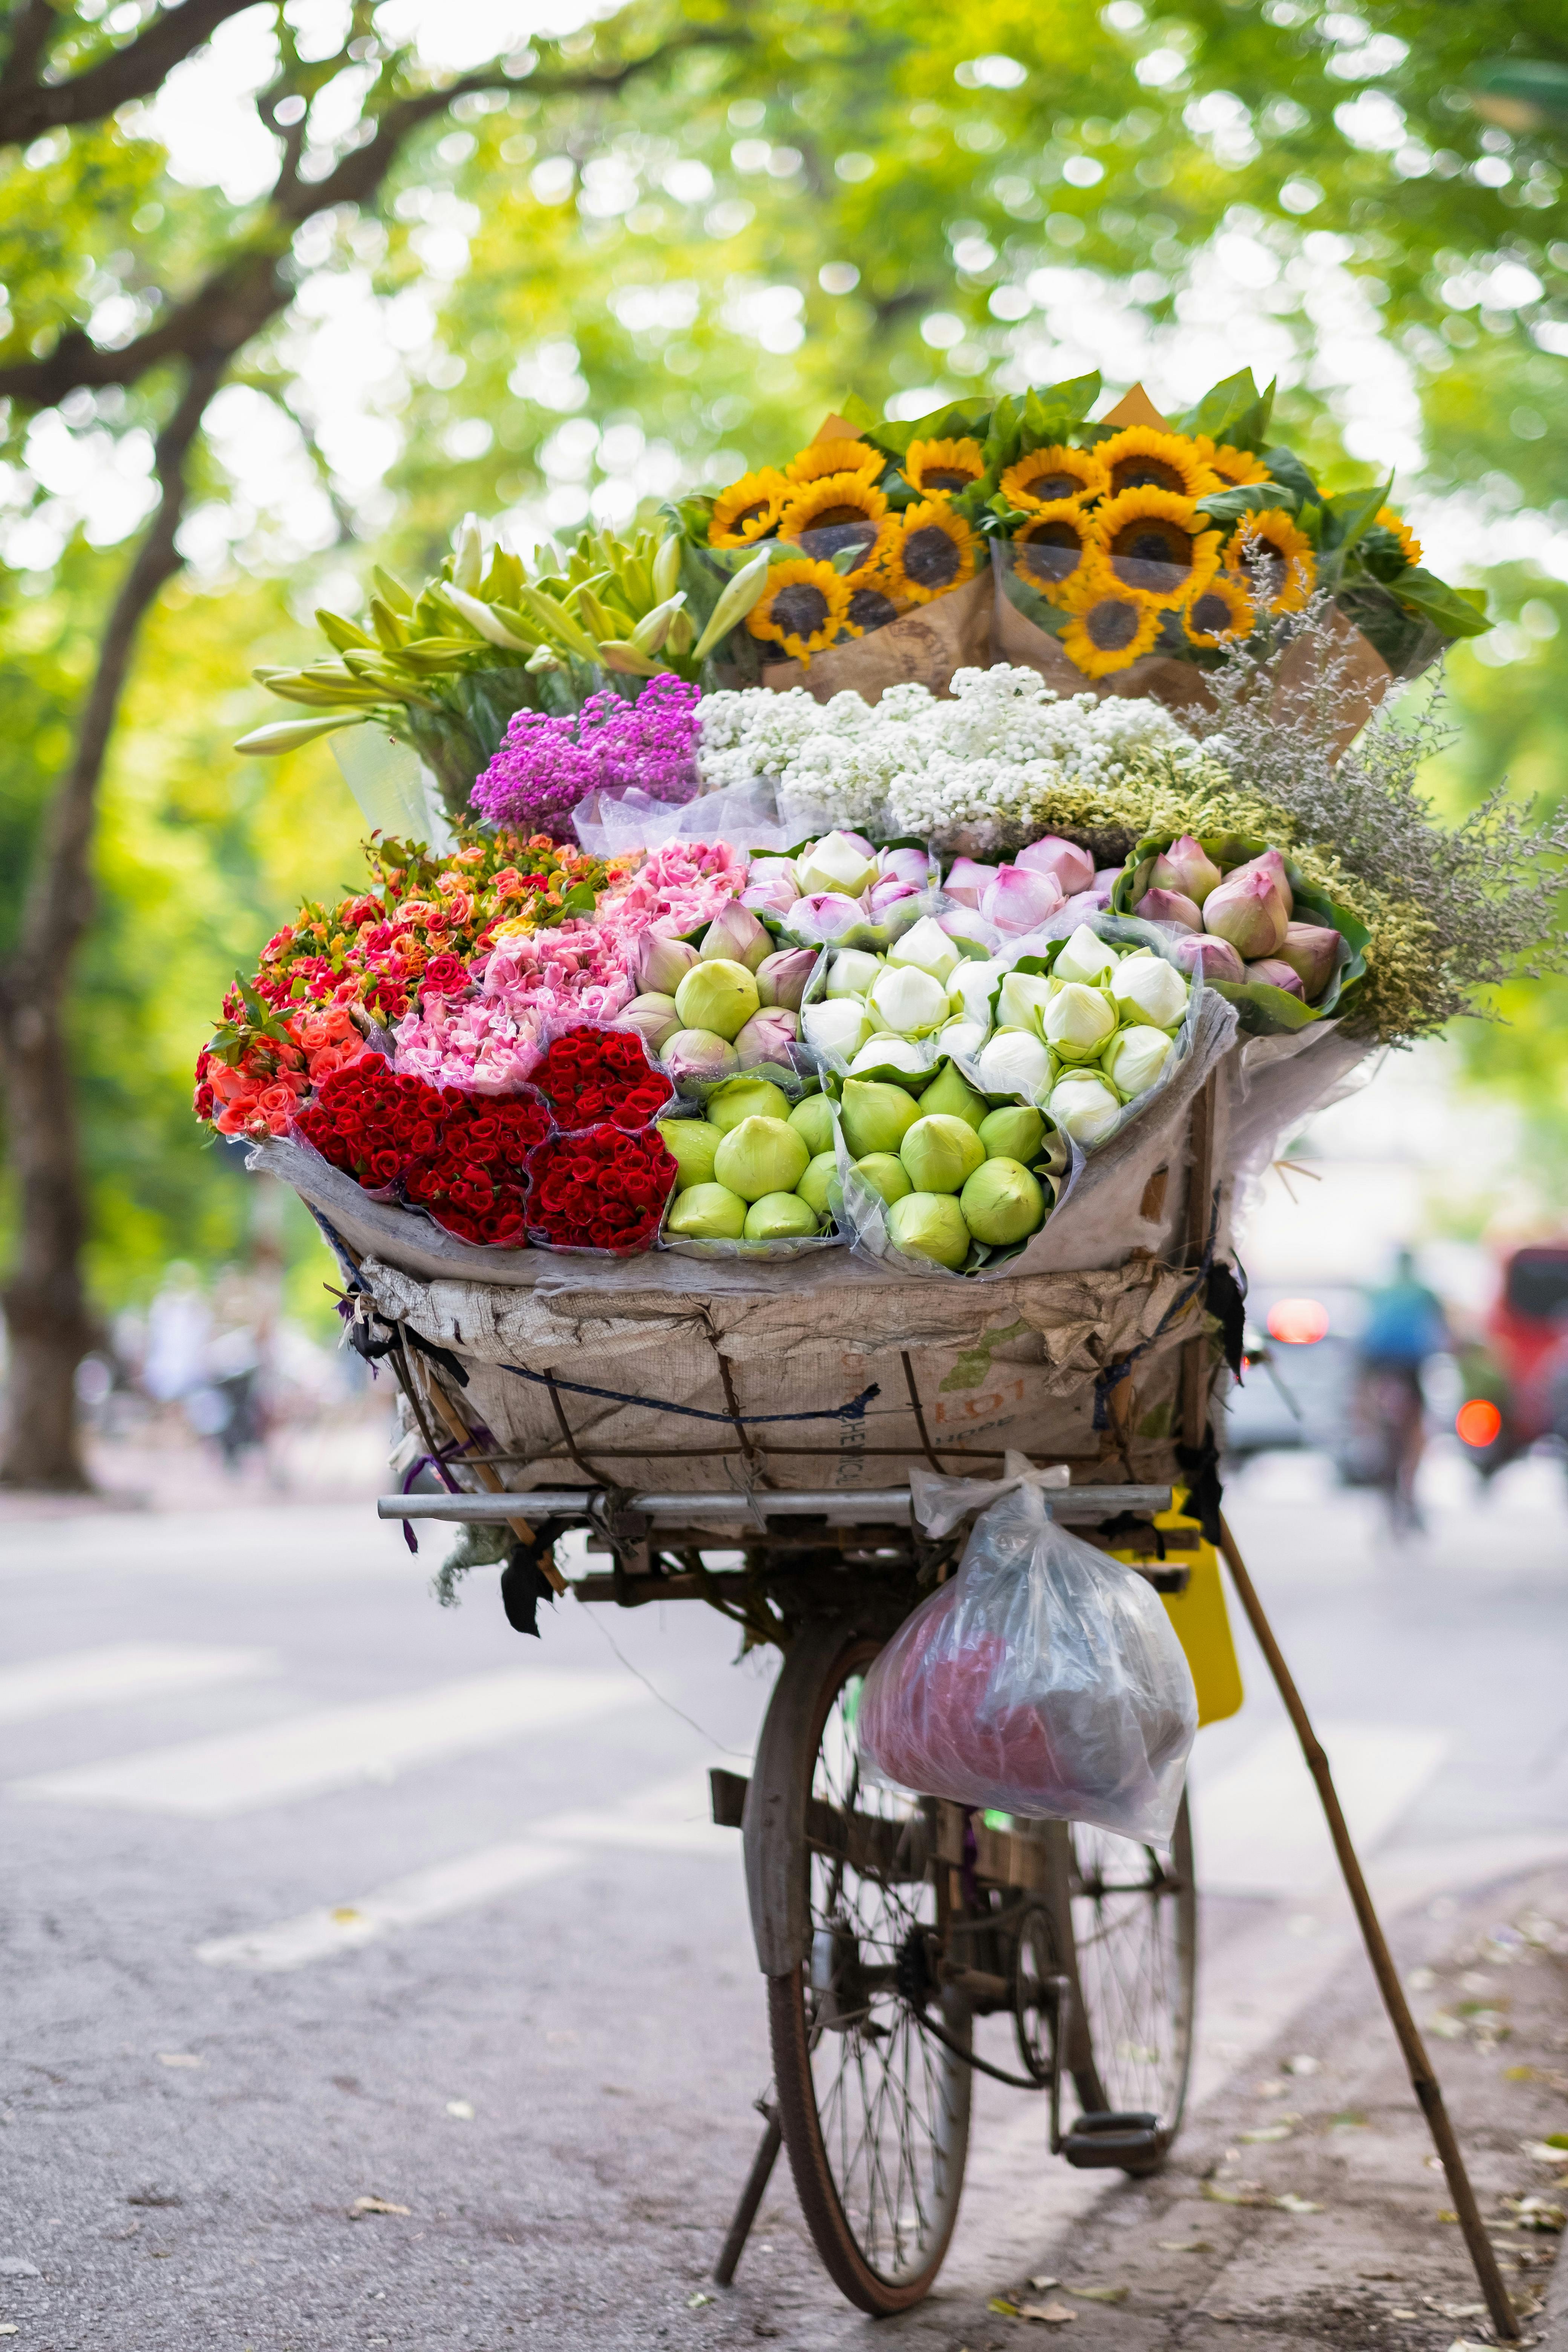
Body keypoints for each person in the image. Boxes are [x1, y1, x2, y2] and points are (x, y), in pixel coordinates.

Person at [1355, 1247, 1450, 1533]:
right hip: (1411, 1364)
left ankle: (1370, 1433)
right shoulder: (1425, 1290)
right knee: (1417, 1428)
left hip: (1375, 1361)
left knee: (1367, 1410)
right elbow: (1444, 1329)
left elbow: (1364, 1326)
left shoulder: (1378, 1288)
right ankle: (1409, 1484)